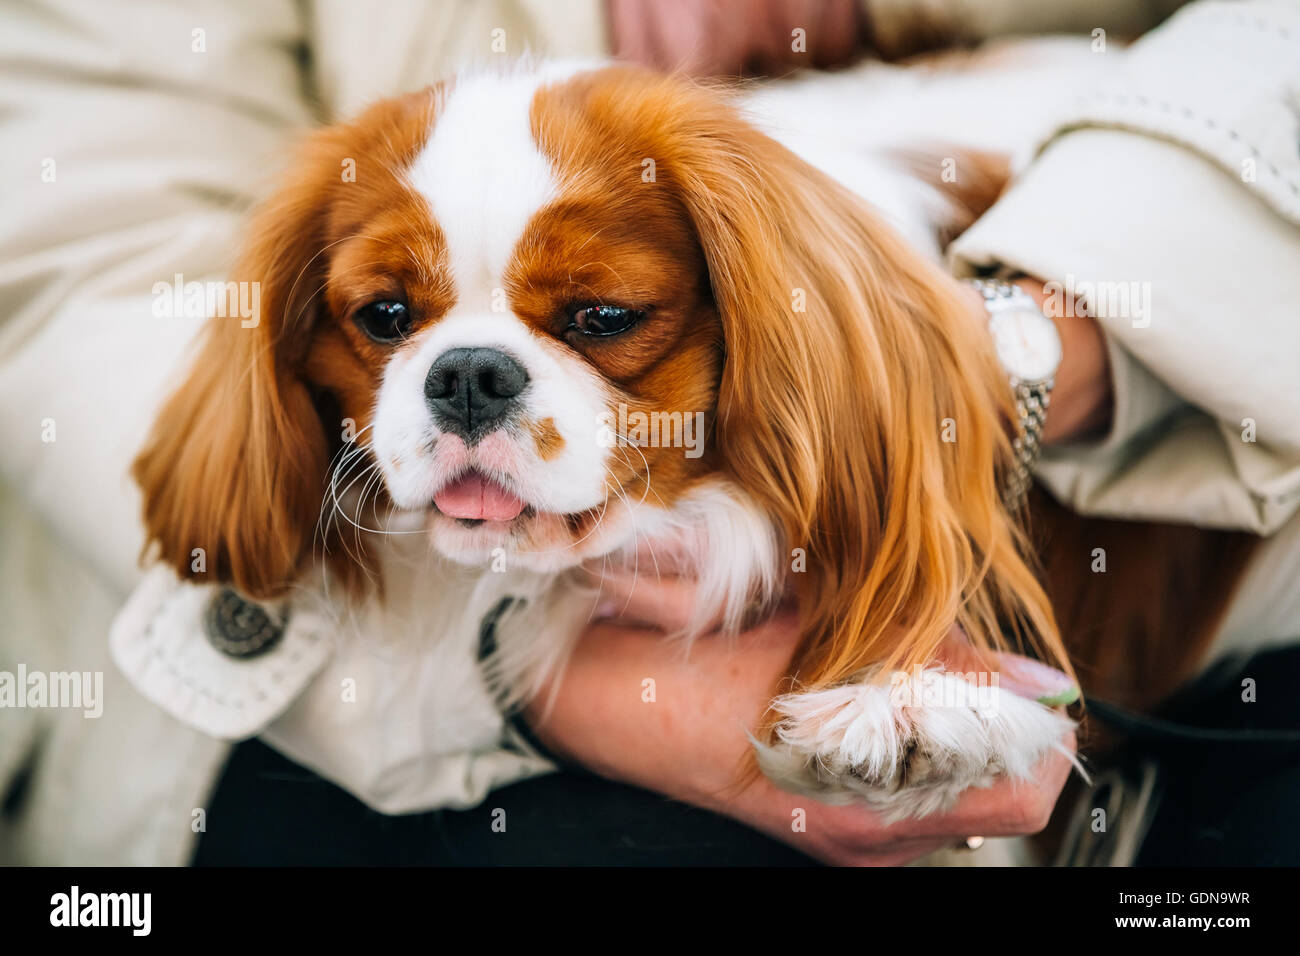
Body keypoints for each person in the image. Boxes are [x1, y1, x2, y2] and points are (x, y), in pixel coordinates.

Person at [2, 0, 1297, 866]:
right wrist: (550, 686)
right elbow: (71, 255)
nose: (465, 382)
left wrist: (1042, 341)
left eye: (600, 316)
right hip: (300, 726)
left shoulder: (801, 274)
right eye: (391, 316)